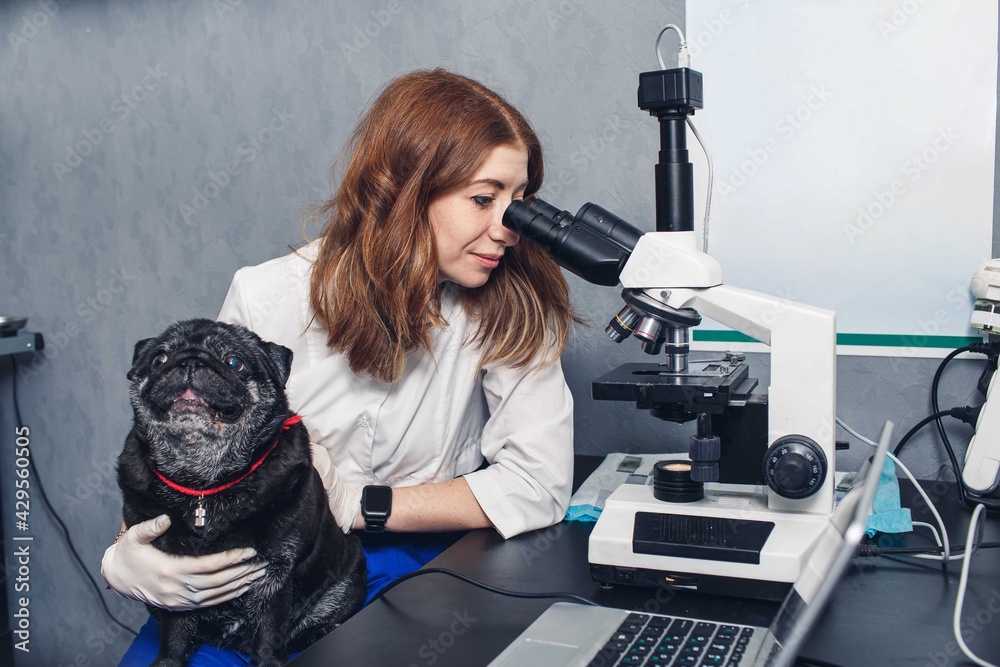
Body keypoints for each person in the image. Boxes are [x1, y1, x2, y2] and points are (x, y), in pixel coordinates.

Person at [102, 67, 578, 665]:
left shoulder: (515, 306)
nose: (508, 229)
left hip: (423, 556)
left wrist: (360, 504)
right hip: (262, 559)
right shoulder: (268, 296)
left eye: (519, 203)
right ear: (403, 190)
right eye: (484, 199)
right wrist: (126, 555)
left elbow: (537, 484)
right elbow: (188, 452)